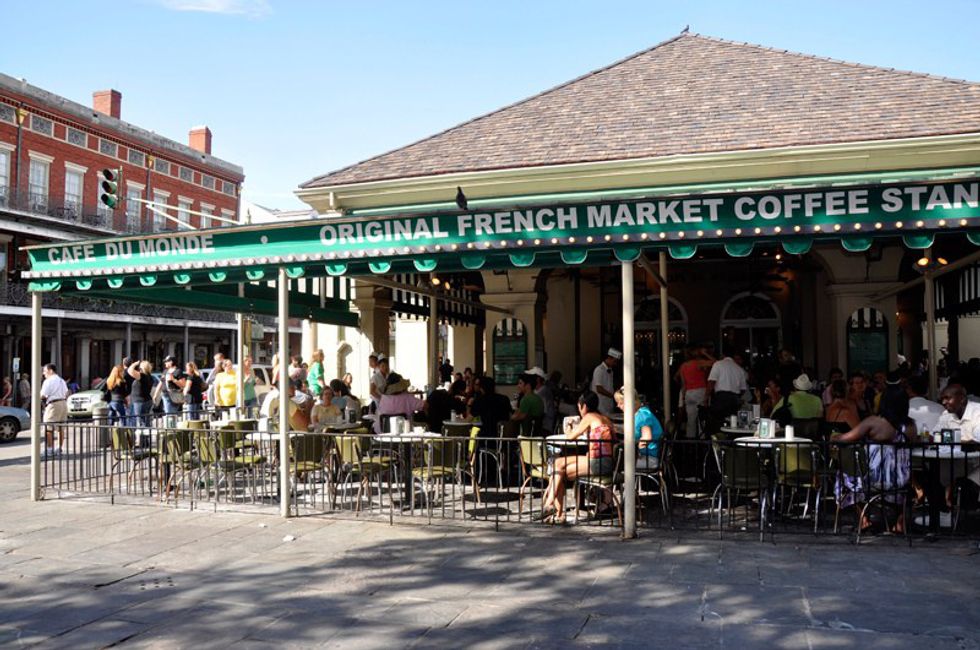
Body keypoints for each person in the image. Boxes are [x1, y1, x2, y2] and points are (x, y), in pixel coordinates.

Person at [540, 391, 614, 523]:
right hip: (607, 461)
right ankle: (552, 508)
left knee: (559, 472)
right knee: (559, 463)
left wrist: (569, 428)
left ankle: (556, 511)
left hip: (598, 463)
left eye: (579, 406)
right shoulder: (605, 418)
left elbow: (570, 437)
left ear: (583, 406)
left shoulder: (589, 417)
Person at [615, 387, 663, 470]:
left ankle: (625, 483)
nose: (618, 405)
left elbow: (647, 438)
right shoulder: (641, 412)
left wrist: (636, 447)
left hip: (649, 458)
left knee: (616, 463)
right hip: (648, 455)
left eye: (620, 403)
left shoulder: (642, 415)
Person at [676, 345, 713, 438]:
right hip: (700, 391)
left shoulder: (683, 366)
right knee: (702, 417)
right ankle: (702, 439)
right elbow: (716, 363)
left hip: (689, 392)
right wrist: (706, 354)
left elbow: (683, 383)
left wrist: (684, 397)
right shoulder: (699, 363)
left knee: (691, 419)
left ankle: (690, 441)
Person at [705, 349, 748, 420]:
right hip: (735, 399)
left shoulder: (718, 364)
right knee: (732, 422)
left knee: (718, 421)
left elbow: (711, 382)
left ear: (723, 355)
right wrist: (737, 396)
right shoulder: (739, 369)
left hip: (721, 398)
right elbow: (743, 389)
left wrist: (706, 397)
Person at [40, 363, 69, 457]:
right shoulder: (61, 380)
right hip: (63, 403)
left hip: (53, 404)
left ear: (50, 371)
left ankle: (49, 449)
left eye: (45, 371)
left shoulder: (48, 381)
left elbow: (43, 395)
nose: (43, 373)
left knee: (49, 426)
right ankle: (59, 448)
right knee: (61, 427)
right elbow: (66, 393)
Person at [511, 371, 545, 436]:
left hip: (528, 432)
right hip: (537, 431)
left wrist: (511, 418)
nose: (518, 386)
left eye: (520, 383)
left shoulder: (526, 399)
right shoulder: (537, 398)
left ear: (528, 385)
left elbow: (521, 416)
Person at [591, 348, 622, 415]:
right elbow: (599, 389)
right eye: (614, 361)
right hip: (600, 404)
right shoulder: (599, 370)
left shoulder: (611, 371)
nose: (615, 364)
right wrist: (613, 395)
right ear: (609, 358)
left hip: (609, 404)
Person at [529, 366, 556, 435]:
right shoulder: (536, 391)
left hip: (544, 427)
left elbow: (541, 412)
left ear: (537, 379)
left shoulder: (543, 392)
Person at [127, 360, 154, 427]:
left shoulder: (142, 376)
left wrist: (134, 363)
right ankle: (147, 436)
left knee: (141, 422)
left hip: (140, 402)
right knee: (146, 421)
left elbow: (130, 371)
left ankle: (142, 437)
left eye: (140, 368)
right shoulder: (150, 377)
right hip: (147, 400)